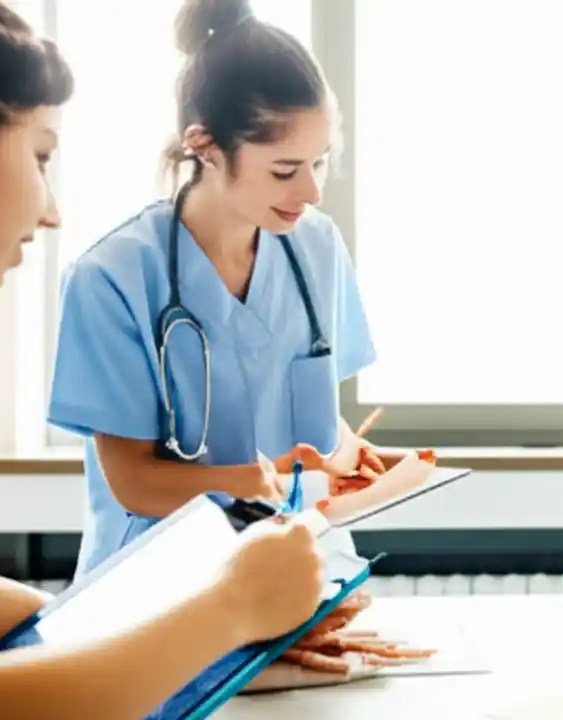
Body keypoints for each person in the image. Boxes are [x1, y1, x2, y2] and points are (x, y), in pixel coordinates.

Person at [0, 1, 324, 717]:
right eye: (41, 155)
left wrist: (119, 628)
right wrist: (228, 612)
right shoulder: (114, 271)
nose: (51, 210)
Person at [47, 0, 390, 584]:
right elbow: (133, 480)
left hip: (301, 578)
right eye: (285, 171)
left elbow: (305, 413)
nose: (311, 191)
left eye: (320, 163)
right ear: (204, 146)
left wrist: (349, 457)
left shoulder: (318, 249)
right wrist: (244, 485)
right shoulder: (112, 278)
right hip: (158, 594)